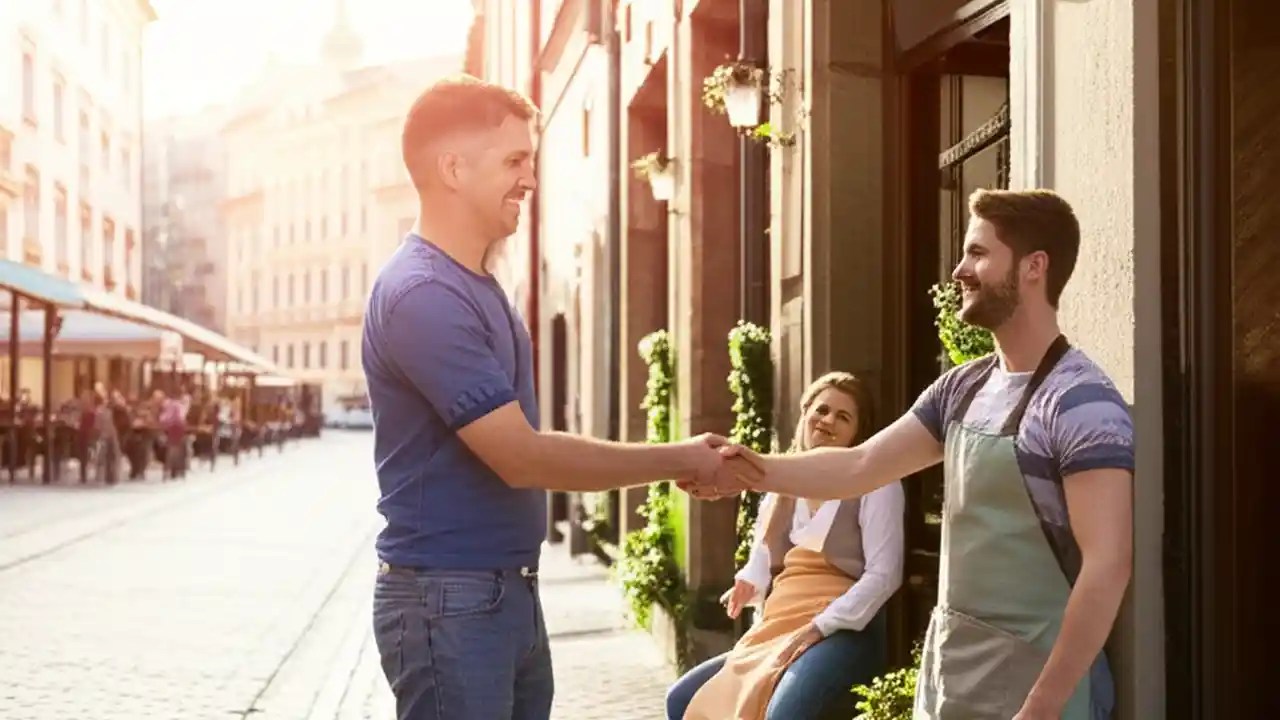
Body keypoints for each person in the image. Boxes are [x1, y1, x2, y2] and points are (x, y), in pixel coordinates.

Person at [360, 75, 724, 720]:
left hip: (500, 592)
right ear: (452, 168)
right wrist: (679, 459)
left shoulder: (477, 283)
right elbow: (521, 457)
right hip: (451, 599)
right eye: (514, 160)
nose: (530, 179)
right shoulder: (423, 294)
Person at [692, 189, 1134, 720]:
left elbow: (1108, 567)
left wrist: (1042, 705)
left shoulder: (1081, 402)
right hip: (952, 679)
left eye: (978, 253)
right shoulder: (960, 390)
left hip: (1043, 688)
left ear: (1035, 266)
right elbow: (859, 466)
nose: (959, 270)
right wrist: (749, 468)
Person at [667, 372, 904, 720]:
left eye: (843, 417)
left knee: (783, 715)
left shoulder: (877, 483)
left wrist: (819, 625)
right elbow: (762, 558)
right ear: (805, 414)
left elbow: (885, 575)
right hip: (779, 625)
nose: (828, 421)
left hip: (843, 629)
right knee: (682, 699)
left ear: (858, 432)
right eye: (821, 410)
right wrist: (749, 582)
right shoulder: (780, 485)